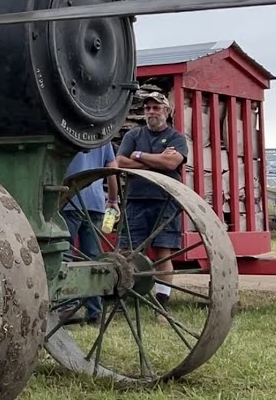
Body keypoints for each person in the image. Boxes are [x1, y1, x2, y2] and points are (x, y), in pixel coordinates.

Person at [113, 91, 190, 313]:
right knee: (127, 250)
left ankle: (162, 301)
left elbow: (171, 163)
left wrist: (138, 156)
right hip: (135, 200)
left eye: (156, 108)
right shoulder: (133, 135)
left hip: (165, 200)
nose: (151, 112)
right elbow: (119, 161)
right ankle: (120, 295)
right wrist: (155, 162)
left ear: (166, 111)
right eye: (147, 108)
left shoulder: (176, 138)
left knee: (163, 251)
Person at [59, 142, 117, 325]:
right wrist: (113, 199)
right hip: (96, 203)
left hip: (70, 200)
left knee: (65, 253)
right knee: (93, 259)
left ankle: (68, 306)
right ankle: (95, 312)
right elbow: (112, 170)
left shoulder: (67, 133)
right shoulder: (103, 139)